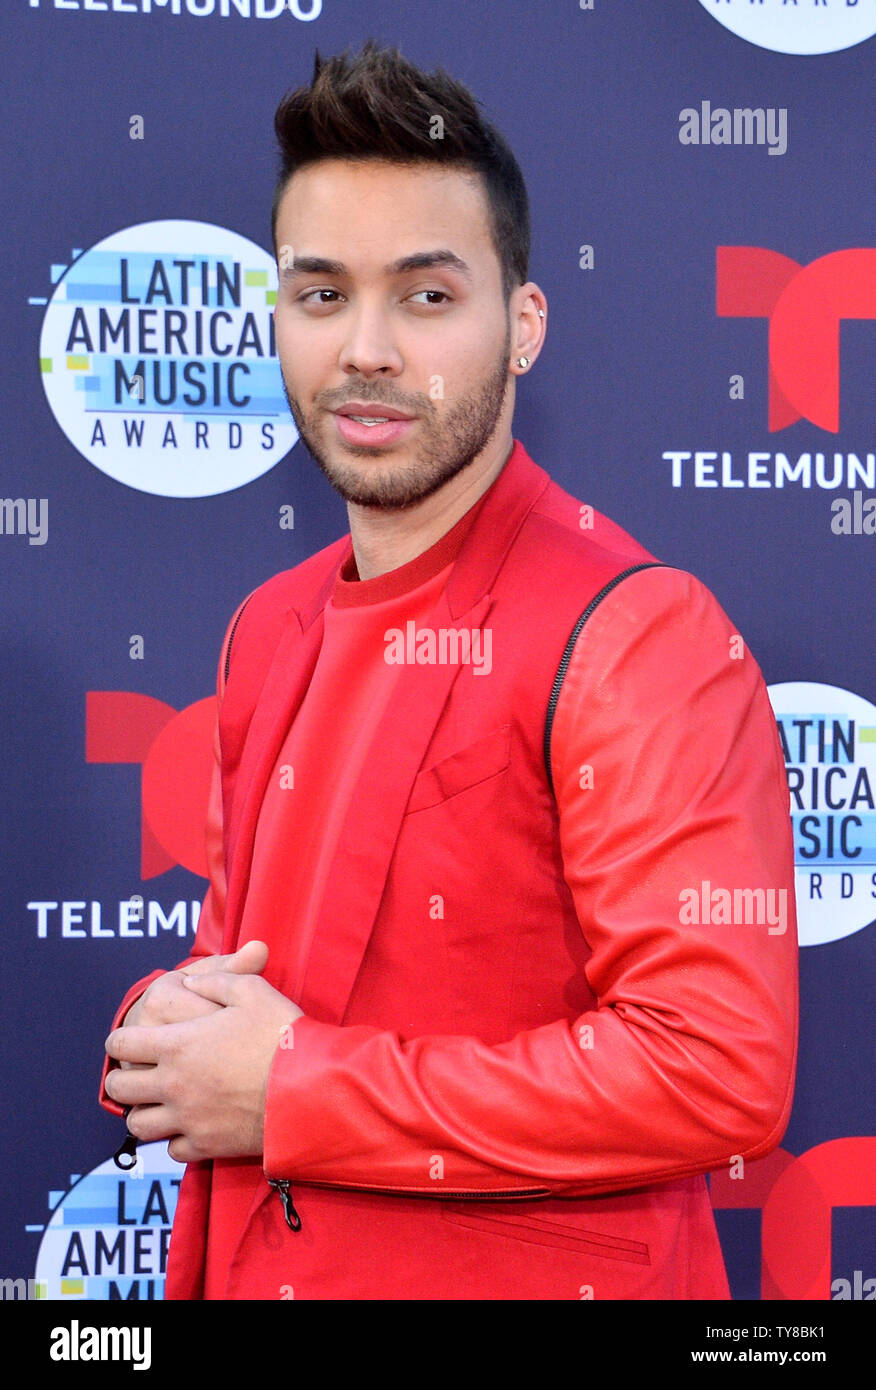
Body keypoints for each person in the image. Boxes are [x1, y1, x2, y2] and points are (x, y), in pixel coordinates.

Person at [100, 40, 798, 1301]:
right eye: (321, 296)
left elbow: (716, 1070)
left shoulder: (642, 631)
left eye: (425, 296)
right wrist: (173, 1034)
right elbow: (247, 984)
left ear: (523, 324)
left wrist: (294, 1087)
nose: (366, 349)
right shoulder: (270, 625)